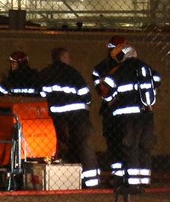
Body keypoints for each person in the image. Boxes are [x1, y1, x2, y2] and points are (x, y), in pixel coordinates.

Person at [99, 43, 161, 192]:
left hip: (127, 116)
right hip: (146, 113)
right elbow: (157, 81)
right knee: (144, 147)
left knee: (130, 147)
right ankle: (145, 180)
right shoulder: (146, 67)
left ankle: (133, 183)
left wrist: (112, 101)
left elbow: (107, 91)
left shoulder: (119, 70)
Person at [36, 47, 100, 187]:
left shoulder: (44, 74)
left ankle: (68, 180)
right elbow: (86, 95)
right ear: (63, 58)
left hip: (56, 117)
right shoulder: (72, 73)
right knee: (83, 146)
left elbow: (40, 95)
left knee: (61, 146)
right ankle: (91, 182)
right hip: (77, 116)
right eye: (68, 57)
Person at [92, 35, 126, 185]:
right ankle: (122, 175)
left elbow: (101, 91)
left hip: (112, 112)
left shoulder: (101, 68)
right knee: (123, 144)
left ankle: (118, 175)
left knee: (114, 144)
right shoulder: (132, 66)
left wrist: (110, 100)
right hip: (124, 112)